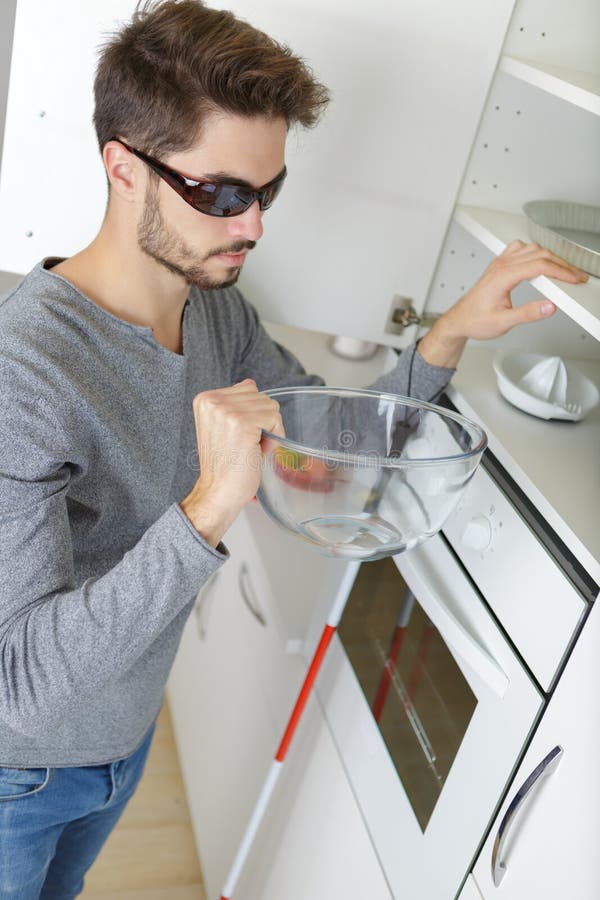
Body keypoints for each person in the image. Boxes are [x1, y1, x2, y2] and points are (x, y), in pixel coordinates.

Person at [0, 1, 588, 897]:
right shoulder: (26, 376)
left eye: (266, 193)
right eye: (224, 195)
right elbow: (22, 686)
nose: (254, 228)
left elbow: (329, 442)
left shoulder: (219, 311)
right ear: (124, 169)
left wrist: (447, 335)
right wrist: (207, 512)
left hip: (121, 739)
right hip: (19, 775)